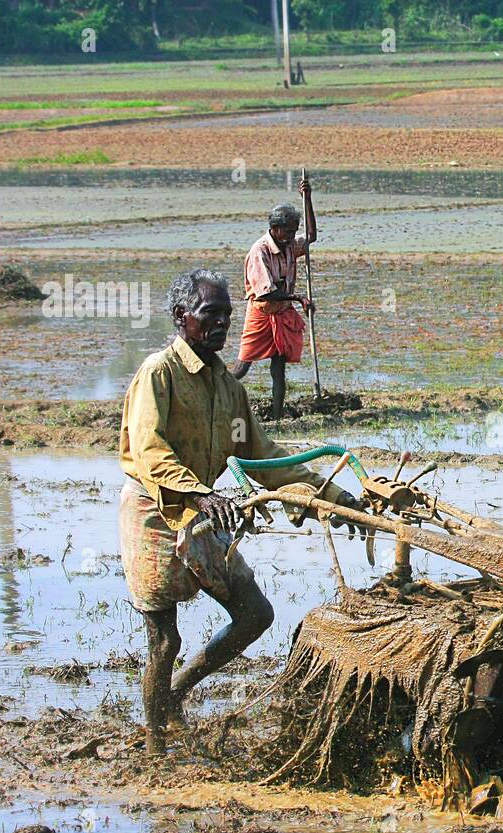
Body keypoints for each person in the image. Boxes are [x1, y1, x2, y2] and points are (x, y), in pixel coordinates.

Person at [119, 268, 363, 756]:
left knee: (254, 614)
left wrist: (332, 498)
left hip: (207, 511)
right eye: (210, 314)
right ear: (181, 317)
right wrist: (196, 492)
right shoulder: (159, 374)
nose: (221, 324)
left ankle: (173, 697)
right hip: (155, 511)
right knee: (164, 641)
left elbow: (263, 457)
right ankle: (154, 745)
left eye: (227, 316)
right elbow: (149, 448)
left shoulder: (229, 389)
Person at [232, 177, 317, 419]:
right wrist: (299, 298)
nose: (292, 236)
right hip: (262, 312)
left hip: (281, 313)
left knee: (278, 367)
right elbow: (266, 291)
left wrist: (307, 199)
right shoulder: (259, 251)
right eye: (288, 231)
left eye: (293, 231)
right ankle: (215, 396)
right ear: (275, 228)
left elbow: (311, 236)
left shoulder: (289, 245)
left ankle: (278, 416)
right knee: (243, 365)